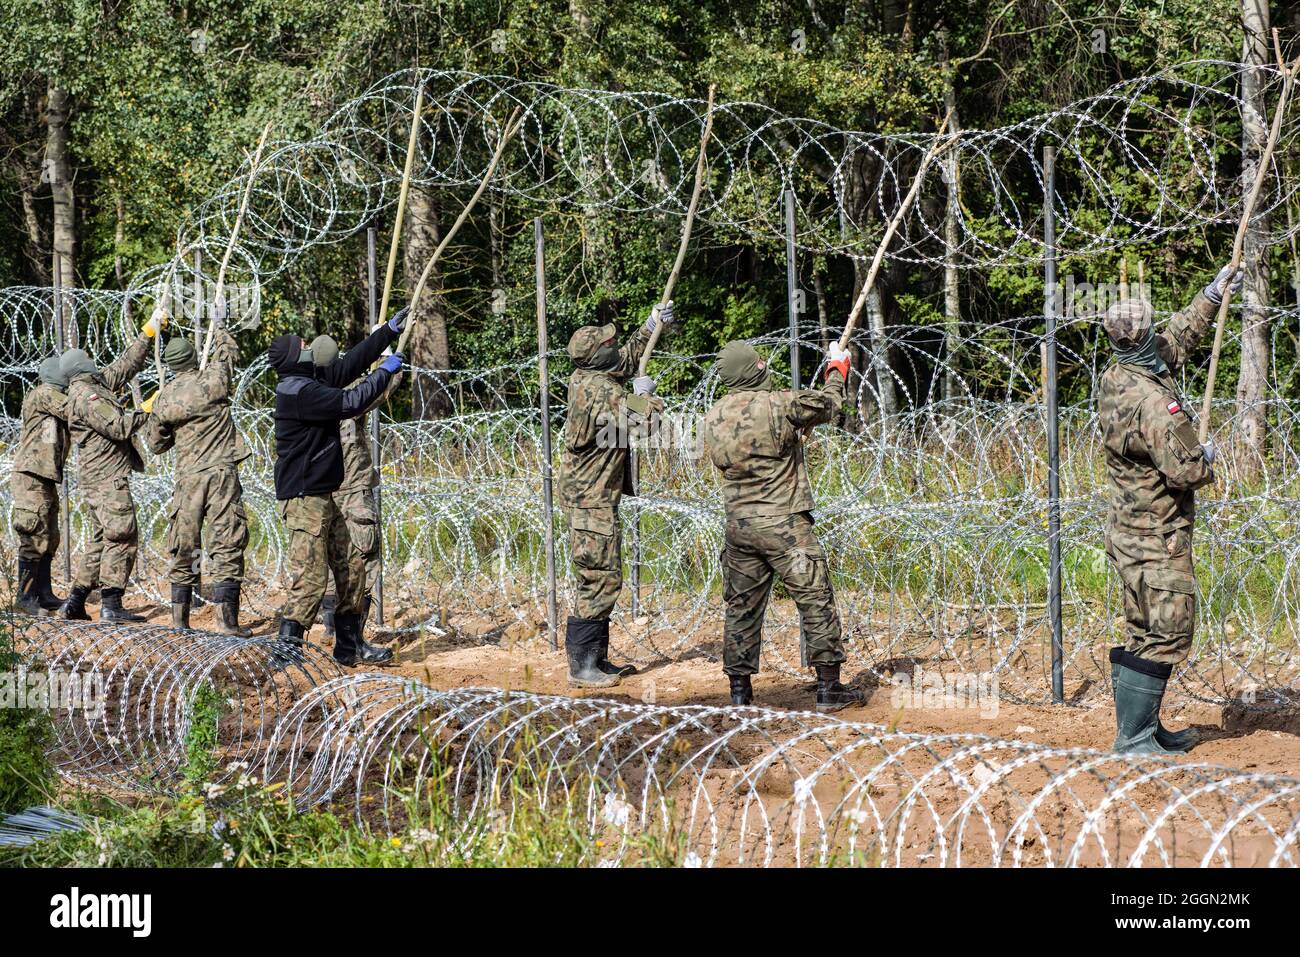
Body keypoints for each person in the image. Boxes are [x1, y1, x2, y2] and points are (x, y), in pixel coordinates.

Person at [1100, 264, 1241, 754]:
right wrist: (1204, 456)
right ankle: (1133, 738)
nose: (1160, 337)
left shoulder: (1117, 375)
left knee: (1143, 629)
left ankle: (1141, 729)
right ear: (1139, 341)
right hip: (1159, 533)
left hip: (1128, 529)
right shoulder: (1154, 405)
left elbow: (1173, 342)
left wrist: (1211, 294)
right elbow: (1186, 472)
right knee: (1169, 629)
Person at [700, 339, 864, 713]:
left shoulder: (714, 416)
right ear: (754, 369)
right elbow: (830, 404)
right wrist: (836, 368)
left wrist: (790, 437)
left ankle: (740, 691)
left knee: (741, 607)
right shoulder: (780, 403)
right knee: (814, 599)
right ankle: (828, 687)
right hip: (785, 522)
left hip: (739, 526)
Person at [267, 319, 402, 667]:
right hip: (304, 499)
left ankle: (349, 646)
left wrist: (386, 332)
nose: (312, 348)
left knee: (352, 566)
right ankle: (286, 652)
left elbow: (349, 365)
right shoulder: (299, 393)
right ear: (297, 358)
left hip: (324, 494)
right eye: (304, 345)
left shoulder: (309, 382)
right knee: (312, 577)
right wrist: (386, 371)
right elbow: (353, 400)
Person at [557, 303, 670, 687]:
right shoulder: (601, 392)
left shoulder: (586, 376)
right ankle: (583, 666)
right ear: (597, 355)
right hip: (592, 499)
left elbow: (624, 359)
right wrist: (646, 396)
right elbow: (648, 422)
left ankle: (597, 660)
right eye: (608, 342)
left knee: (601, 572)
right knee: (599, 576)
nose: (615, 345)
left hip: (592, 496)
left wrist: (651, 324)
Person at [143, 312, 251, 635]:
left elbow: (156, 443)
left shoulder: (165, 399)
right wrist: (219, 326)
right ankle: (226, 621)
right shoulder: (213, 382)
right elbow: (228, 353)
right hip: (221, 474)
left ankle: (180, 620)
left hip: (188, 480)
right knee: (226, 542)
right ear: (193, 359)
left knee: (186, 547)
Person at [57, 309, 163, 621]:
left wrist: (149, 333)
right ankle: (112, 605)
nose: (92, 360)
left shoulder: (94, 384)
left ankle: (75, 603)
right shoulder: (87, 395)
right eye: (87, 358)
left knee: (101, 537)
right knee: (122, 535)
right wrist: (147, 409)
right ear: (80, 366)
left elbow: (124, 366)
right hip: (107, 478)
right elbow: (118, 426)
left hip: (99, 477)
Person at [11, 356, 70, 613]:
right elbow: (74, 409)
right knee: (32, 536)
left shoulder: (52, 397)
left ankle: (42, 593)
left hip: (44, 475)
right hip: (30, 475)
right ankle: (25, 599)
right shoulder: (44, 394)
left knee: (49, 536)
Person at [321, 393, 382, 639]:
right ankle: (353, 638)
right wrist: (387, 358)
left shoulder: (305, 390)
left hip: (323, 490)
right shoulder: (349, 395)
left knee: (331, 559)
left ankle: (330, 630)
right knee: (365, 560)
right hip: (354, 490)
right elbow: (384, 385)